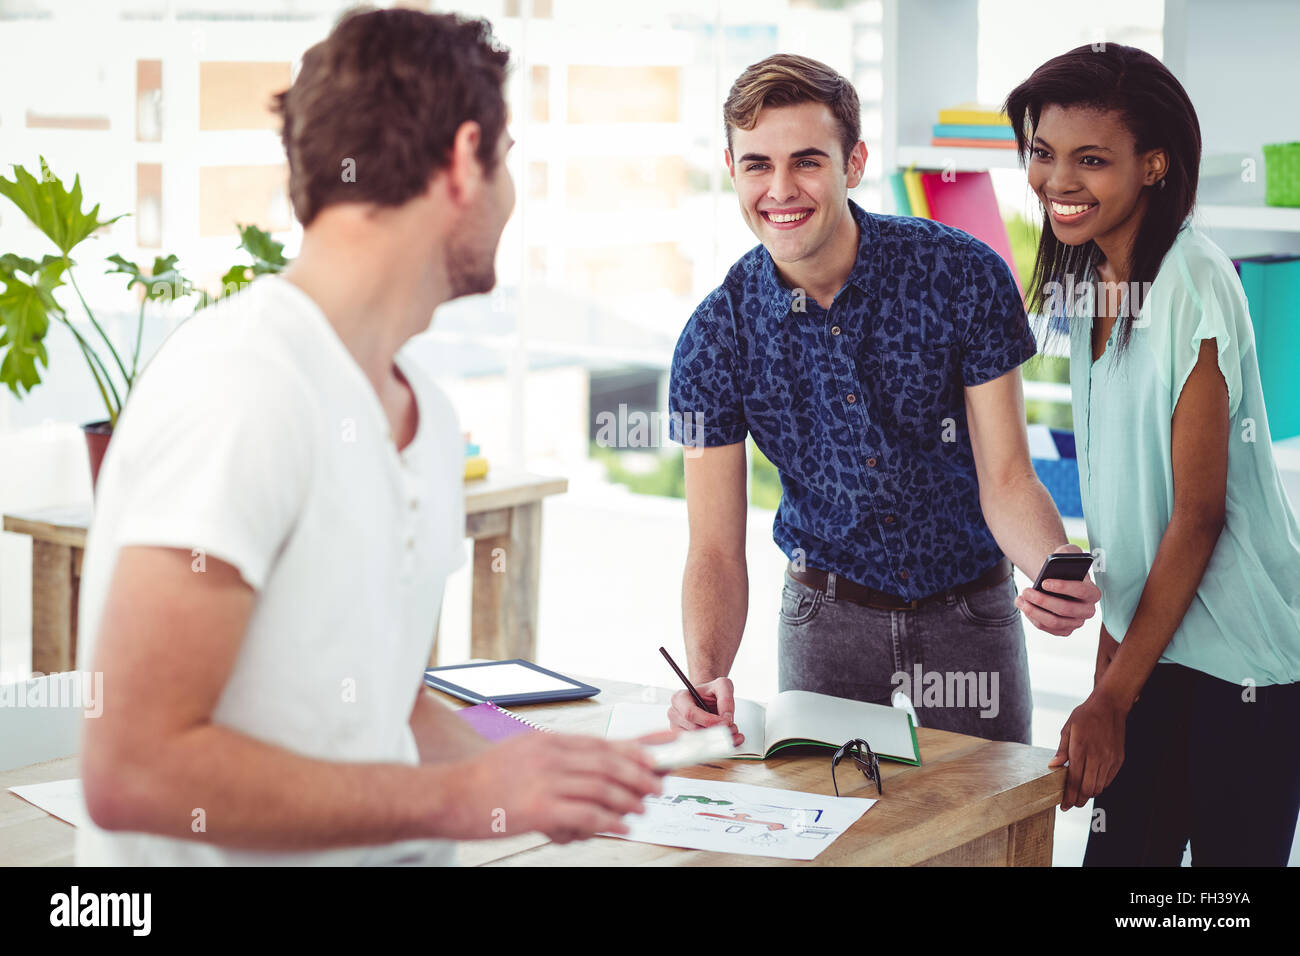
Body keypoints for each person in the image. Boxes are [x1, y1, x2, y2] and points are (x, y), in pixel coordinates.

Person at [76, 7, 662, 866]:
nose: (510, 198)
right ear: (464, 160)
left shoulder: (423, 410)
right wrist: (464, 796)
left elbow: (381, 699)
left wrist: (535, 771)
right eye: (508, 164)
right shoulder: (244, 383)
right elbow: (133, 769)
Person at [666, 54, 1100, 752]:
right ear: (731, 167)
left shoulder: (963, 275)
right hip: (825, 625)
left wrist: (1051, 566)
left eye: (807, 161)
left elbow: (1008, 479)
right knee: (832, 844)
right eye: (757, 165)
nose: (780, 190)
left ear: (855, 162)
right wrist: (707, 675)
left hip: (971, 616)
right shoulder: (717, 335)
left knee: (988, 841)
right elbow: (715, 548)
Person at [1005, 43, 1300, 865]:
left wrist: (1109, 700)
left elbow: (1198, 516)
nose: (1057, 180)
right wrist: (1108, 680)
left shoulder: (1194, 282)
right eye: (1043, 153)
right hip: (1150, 657)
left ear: (1153, 165)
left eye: (1090, 160)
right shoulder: (1092, 283)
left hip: (1245, 672)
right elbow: (1126, 516)